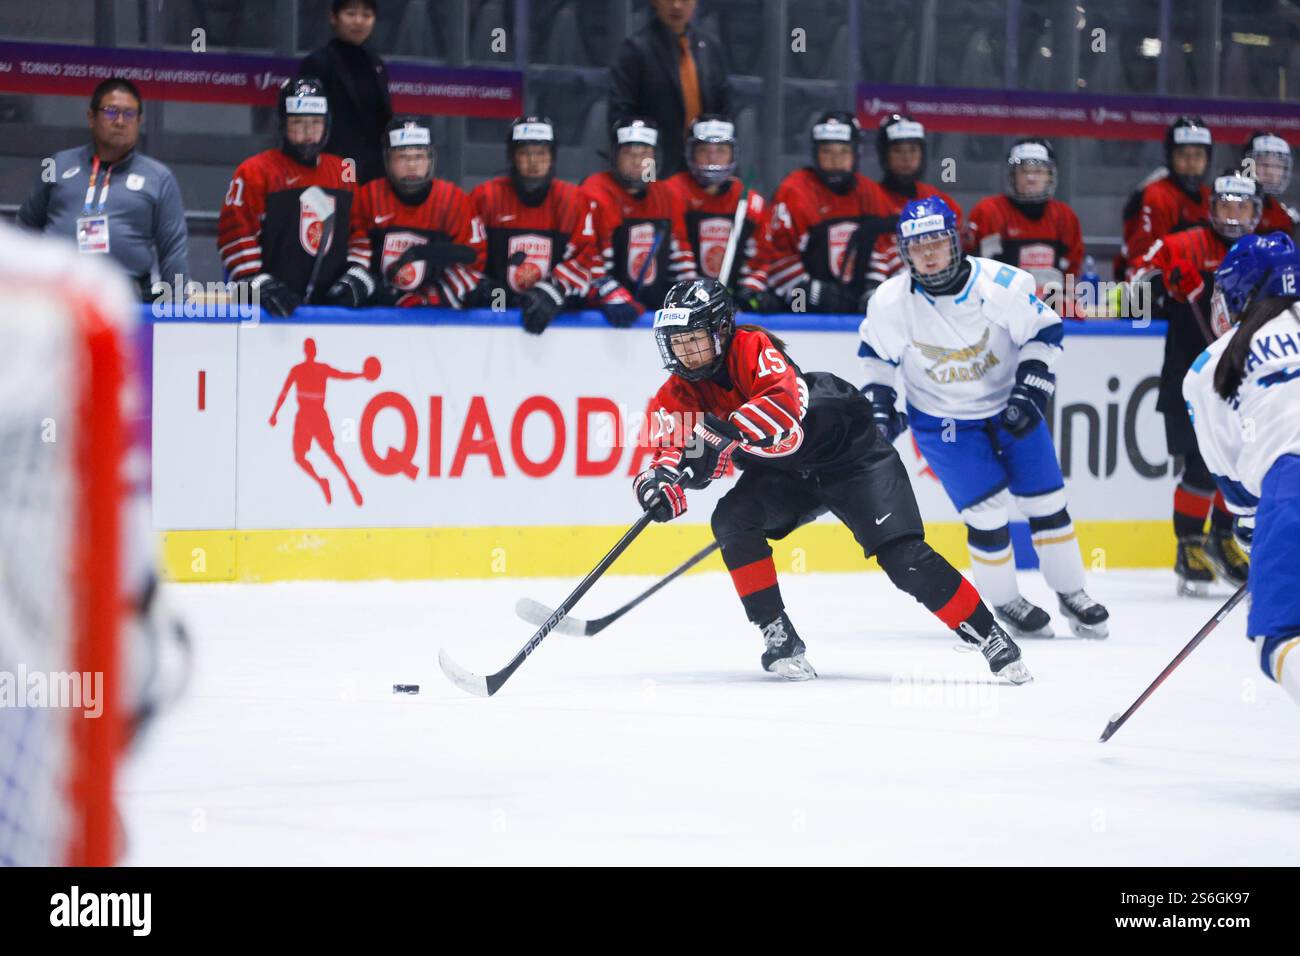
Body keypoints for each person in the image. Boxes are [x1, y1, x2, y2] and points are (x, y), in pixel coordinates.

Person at [634, 277, 1032, 684]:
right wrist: (661, 482)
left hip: (855, 462)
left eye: (694, 338)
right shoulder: (679, 390)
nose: (685, 351)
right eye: (676, 341)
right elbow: (670, 446)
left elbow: (782, 409)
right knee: (732, 519)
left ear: (721, 329)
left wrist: (721, 434)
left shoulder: (753, 348)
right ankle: (779, 636)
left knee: (904, 558)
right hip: (787, 475)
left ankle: (989, 635)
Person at [859, 197, 1110, 639]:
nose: (930, 253)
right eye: (918, 246)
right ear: (904, 251)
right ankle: (1004, 600)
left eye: (937, 241)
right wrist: (880, 408)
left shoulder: (1001, 284)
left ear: (955, 241)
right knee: (987, 511)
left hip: (1010, 404)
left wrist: (1032, 387)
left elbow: (1044, 331)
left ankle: (1072, 591)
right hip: (943, 421)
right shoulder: (890, 302)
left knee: (1047, 503)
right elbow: (877, 360)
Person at [1131, 171, 1263, 594]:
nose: (1234, 216)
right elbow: (1132, 280)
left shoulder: (1267, 252)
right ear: (1211, 209)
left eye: (1243, 207)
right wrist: (1163, 284)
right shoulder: (1182, 243)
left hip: (1244, 378)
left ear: (1256, 212)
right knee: (1199, 466)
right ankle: (1189, 542)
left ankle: (1223, 537)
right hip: (1187, 377)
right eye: (1226, 206)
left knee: (1237, 463)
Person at [1183, 232, 1300, 707]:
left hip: (1292, 485)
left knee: (1281, 639)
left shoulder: (1211, 365)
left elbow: (1241, 495)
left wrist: (1258, 534)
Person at [17, 77, 189, 300]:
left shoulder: (158, 177)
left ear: (139, 121)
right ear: (91, 117)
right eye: (110, 111)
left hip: (125, 299)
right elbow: (26, 228)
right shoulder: (57, 165)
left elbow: (173, 252)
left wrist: (179, 312)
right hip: (57, 296)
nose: (120, 121)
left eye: (129, 114)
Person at [218, 77, 363, 316]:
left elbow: (359, 233)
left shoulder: (343, 171)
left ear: (327, 124)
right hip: (268, 312)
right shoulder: (255, 171)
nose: (308, 133)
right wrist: (256, 281)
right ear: (283, 125)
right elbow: (235, 233)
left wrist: (356, 274)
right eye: (298, 123)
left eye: (315, 123)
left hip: (331, 311)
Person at [737, 111, 893, 314]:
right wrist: (814, 293)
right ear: (815, 153)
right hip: (800, 310)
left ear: (855, 153)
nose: (835, 160)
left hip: (857, 310)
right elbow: (776, 258)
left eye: (843, 151)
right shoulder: (795, 191)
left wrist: (873, 289)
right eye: (827, 151)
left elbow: (884, 249)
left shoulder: (870, 192)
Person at [344, 116, 488, 308]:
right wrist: (367, 286)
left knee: (491, 294)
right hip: (377, 312)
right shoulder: (368, 197)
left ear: (430, 160)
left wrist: (428, 298)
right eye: (402, 157)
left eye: (419, 156)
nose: (412, 165)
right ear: (388, 160)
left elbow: (473, 265)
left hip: (436, 316)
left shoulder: (455, 201)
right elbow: (356, 251)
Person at [470, 116, 597, 333]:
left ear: (552, 157)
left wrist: (550, 293)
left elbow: (587, 259)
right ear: (512, 157)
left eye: (541, 153)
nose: (533, 162)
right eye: (525, 153)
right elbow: (470, 260)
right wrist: (494, 296)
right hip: (496, 312)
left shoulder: (573, 200)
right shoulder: (485, 197)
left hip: (554, 317)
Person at [582, 117, 697, 322]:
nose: (637, 162)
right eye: (629, 153)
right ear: (615, 156)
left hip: (653, 311)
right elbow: (586, 256)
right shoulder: (595, 191)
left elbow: (681, 255)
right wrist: (609, 293)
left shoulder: (667, 195)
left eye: (645, 153)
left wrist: (693, 297)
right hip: (602, 313)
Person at [608, 0, 731, 181]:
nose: (677, 6)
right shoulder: (635, 50)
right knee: (655, 208)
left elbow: (724, 112)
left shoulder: (710, 49)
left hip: (702, 167)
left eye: (685, 0)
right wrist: (639, 168)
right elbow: (621, 113)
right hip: (652, 168)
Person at [963, 138, 1084, 310]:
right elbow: (973, 270)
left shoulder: (1065, 217)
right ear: (1012, 175)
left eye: (1039, 171)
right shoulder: (988, 212)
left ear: (1051, 175)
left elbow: (1072, 272)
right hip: (998, 310)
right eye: (1024, 171)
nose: (1031, 178)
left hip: (1051, 310)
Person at [663, 113, 765, 293]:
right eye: (703, 150)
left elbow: (763, 254)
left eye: (721, 150)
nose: (712, 158)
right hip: (676, 299)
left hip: (730, 302)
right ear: (690, 153)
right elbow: (677, 247)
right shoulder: (670, 192)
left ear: (733, 154)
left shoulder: (750, 200)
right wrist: (693, 294)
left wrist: (748, 292)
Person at [865, 114, 961, 296]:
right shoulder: (867, 196)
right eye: (898, 151)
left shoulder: (940, 201)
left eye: (913, 150)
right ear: (884, 154)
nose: (906, 158)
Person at [298, 0, 392, 185]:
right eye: (351, 14)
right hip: (332, 165)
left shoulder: (376, 64)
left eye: (366, 15)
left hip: (373, 168)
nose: (359, 21)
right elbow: (305, 122)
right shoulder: (318, 63)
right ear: (334, 18)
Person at [1120, 116, 1212, 279]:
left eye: (1198, 155)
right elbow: (1144, 260)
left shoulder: (1210, 196)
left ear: (1207, 159)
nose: (1191, 163)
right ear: (1170, 157)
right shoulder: (1157, 195)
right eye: (1183, 155)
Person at [1241, 131, 1298, 237]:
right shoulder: (1230, 206)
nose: (1270, 172)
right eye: (1263, 163)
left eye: (1278, 165)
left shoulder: (1282, 215)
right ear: (1247, 164)